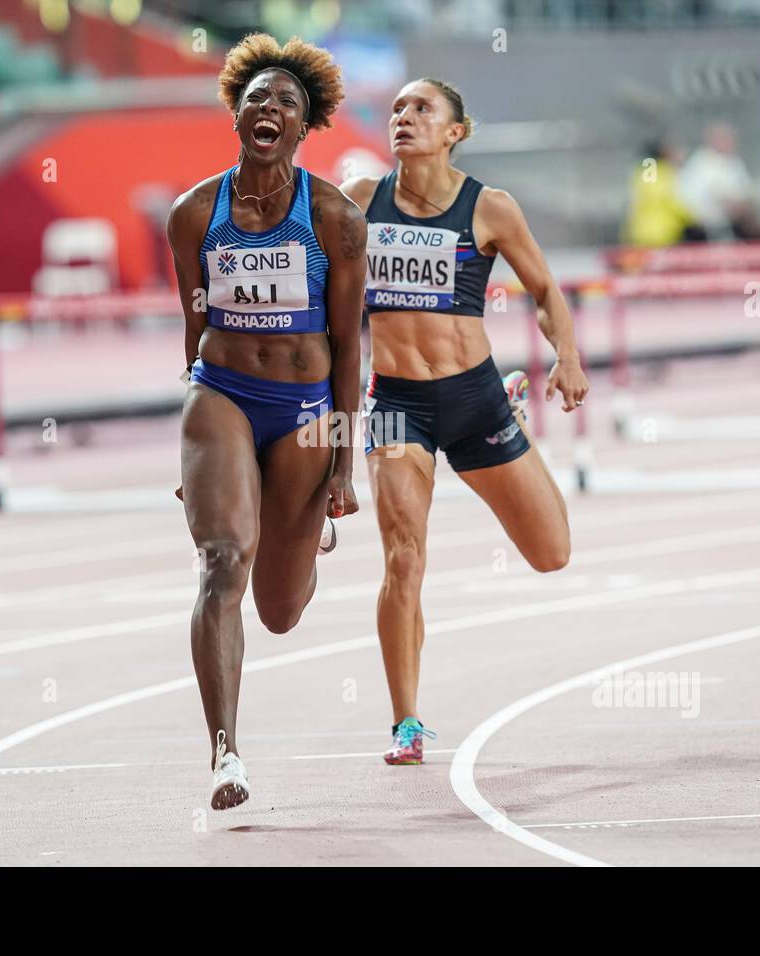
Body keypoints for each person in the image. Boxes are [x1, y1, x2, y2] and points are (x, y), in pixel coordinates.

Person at [340, 78, 587, 765]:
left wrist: (565, 355)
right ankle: (406, 724)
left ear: (455, 131)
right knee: (403, 559)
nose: (404, 117)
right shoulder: (362, 200)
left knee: (551, 553)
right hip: (395, 404)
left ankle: (508, 402)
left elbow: (545, 290)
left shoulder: (491, 208)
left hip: (475, 398)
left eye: (422, 109)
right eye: (397, 109)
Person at [165, 34, 367, 808]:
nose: (268, 107)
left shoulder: (336, 218)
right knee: (222, 562)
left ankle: (307, 523)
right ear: (236, 116)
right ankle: (226, 753)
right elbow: (192, 327)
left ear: (305, 124)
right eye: (256, 98)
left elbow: (350, 344)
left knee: (280, 610)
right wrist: (195, 448)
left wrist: (345, 460)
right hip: (220, 393)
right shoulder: (193, 214)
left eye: (286, 100)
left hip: (309, 412)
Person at [677, 122, 760, 241]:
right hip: (704, 228)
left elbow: (747, 191)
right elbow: (722, 197)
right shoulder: (703, 161)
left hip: (730, 223)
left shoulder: (733, 162)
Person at [622, 137, 704, 247]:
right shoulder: (663, 173)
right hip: (662, 232)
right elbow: (669, 200)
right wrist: (693, 219)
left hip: (639, 231)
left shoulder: (642, 172)